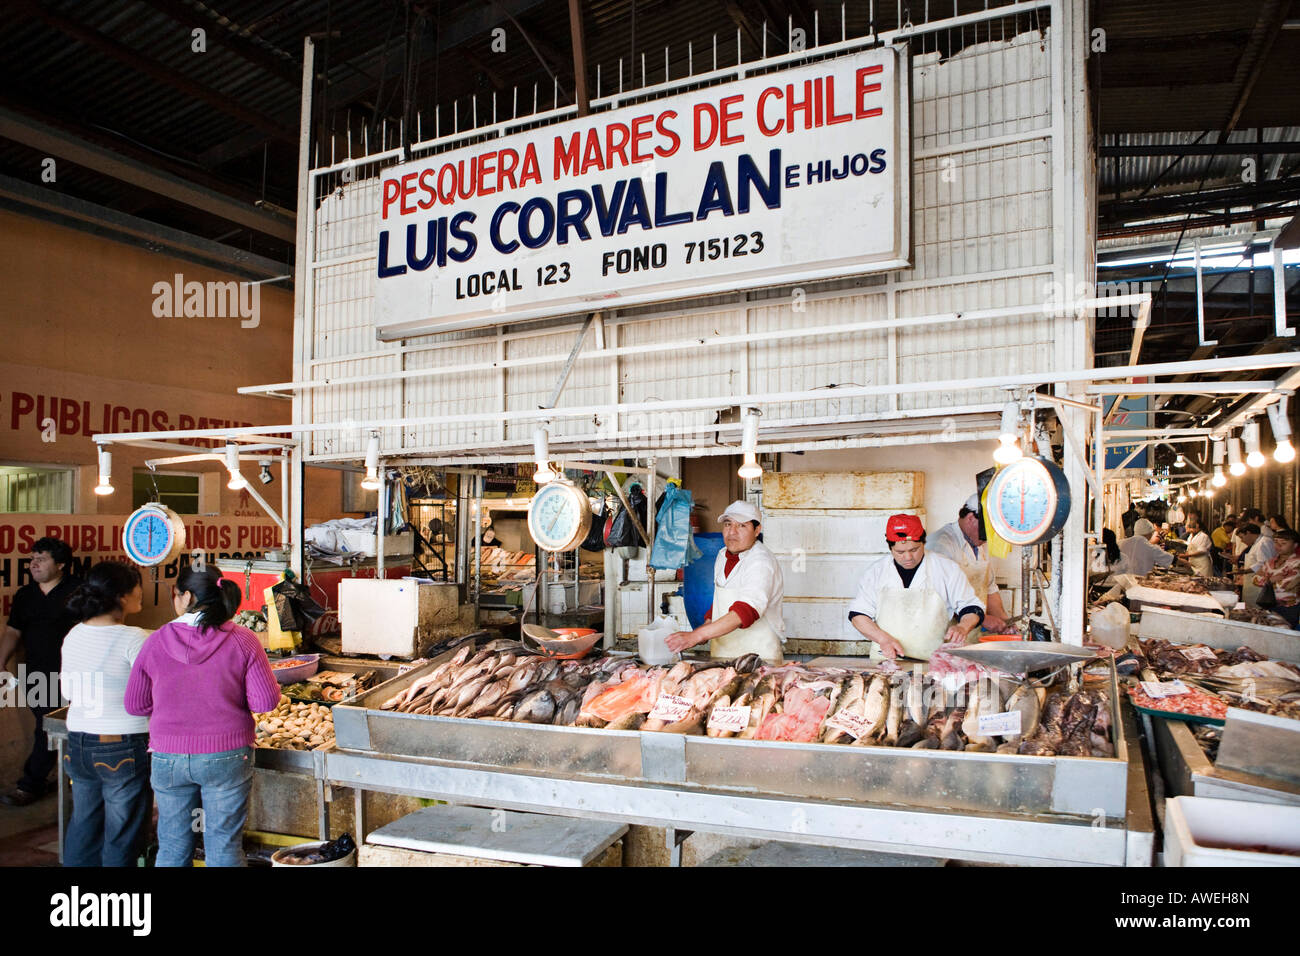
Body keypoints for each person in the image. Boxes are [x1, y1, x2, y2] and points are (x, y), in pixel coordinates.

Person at [125, 567, 281, 867]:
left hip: (168, 757)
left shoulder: (155, 641)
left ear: (187, 597)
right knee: (223, 846)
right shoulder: (243, 640)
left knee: (171, 846)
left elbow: (135, 704)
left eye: (176, 594)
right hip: (227, 756)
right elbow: (264, 702)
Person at [60, 562, 152, 867]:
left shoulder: (74, 634)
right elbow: (156, 691)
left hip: (79, 744)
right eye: (138, 585)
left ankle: (80, 906)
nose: (142, 591)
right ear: (123, 595)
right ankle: (115, 908)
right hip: (122, 746)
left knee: (84, 827)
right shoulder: (134, 638)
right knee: (122, 835)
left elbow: (67, 692)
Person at [0, 537, 78, 807]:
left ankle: (32, 783)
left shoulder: (77, 592)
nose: (34, 564)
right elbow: (13, 631)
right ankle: (51, 780)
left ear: (61, 565)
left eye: (41, 559)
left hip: (74, 675)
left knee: (59, 728)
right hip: (37, 675)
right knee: (46, 726)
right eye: (32, 559)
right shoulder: (25, 595)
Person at [847, 514, 984, 660]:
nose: (908, 557)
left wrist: (963, 626)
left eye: (914, 550)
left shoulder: (946, 568)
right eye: (900, 552)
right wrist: (882, 639)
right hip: (887, 659)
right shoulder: (876, 572)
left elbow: (971, 606)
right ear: (890, 548)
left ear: (923, 543)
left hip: (934, 661)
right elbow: (858, 614)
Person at [665, 500, 785, 663]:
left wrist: (695, 636)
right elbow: (721, 599)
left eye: (741, 526)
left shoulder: (761, 562)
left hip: (757, 659)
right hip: (723, 653)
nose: (732, 532)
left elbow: (746, 611)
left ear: (757, 530)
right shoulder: (722, 555)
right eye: (728, 524)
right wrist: (705, 627)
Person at [929, 494, 1011, 632]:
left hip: (972, 633)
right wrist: (982, 619)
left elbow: (990, 588)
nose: (988, 538)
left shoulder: (978, 543)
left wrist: (1005, 623)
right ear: (971, 518)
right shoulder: (941, 544)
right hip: (947, 633)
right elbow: (938, 598)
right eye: (987, 531)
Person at [1253, 530, 1300, 629]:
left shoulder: (1297, 563)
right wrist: (1271, 580)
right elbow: (1255, 579)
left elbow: (1286, 585)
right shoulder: (1270, 562)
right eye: (1276, 542)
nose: (1278, 546)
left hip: (1288, 608)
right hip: (1268, 604)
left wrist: (1267, 580)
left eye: (1283, 543)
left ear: (1295, 545)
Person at [1237, 523, 1277, 607]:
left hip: (1259, 586)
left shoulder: (1264, 542)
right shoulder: (1256, 543)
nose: (1242, 541)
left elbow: (1264, 563)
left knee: (1257, 610)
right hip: (1252, 583)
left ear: (1248, 533)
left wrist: (1245, 571)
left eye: (1242, 537)